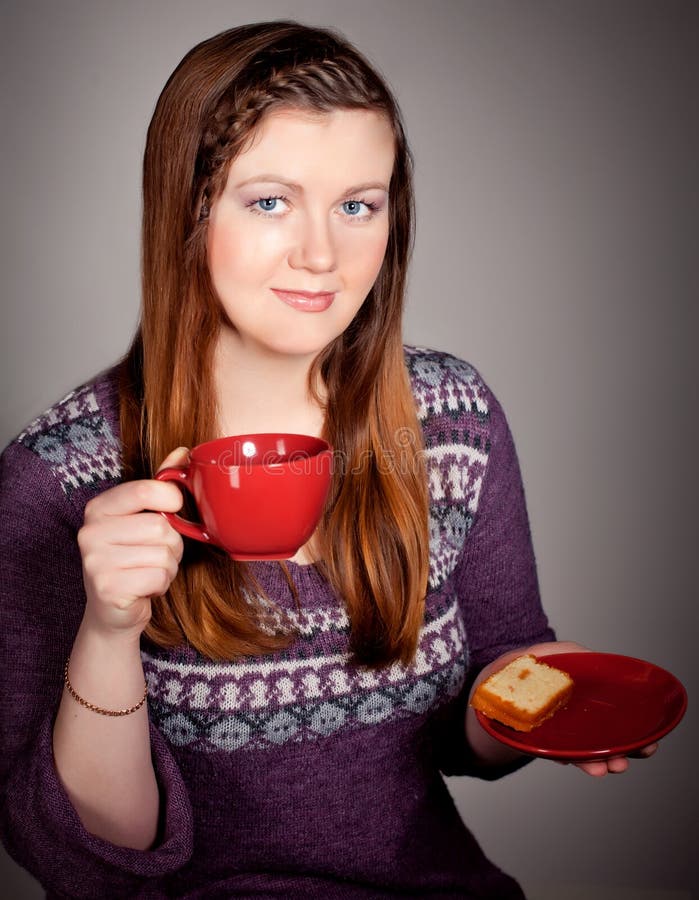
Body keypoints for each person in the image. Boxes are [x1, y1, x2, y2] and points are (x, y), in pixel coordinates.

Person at [0, 21, 657, 899]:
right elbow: (90, 856)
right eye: (269, 201)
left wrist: (549, 707)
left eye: (358, 205)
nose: (322, 255)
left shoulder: (448, 420)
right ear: (185, 210)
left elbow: (482, 714)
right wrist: (109, 630)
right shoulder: (60, 478)